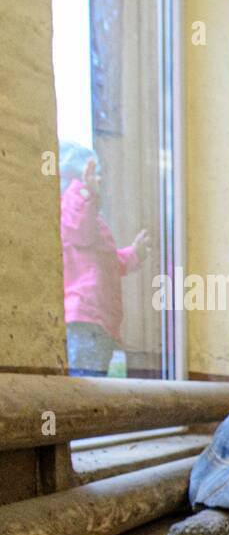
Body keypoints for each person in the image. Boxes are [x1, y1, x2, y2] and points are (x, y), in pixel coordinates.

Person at [58, 141, 149, 377]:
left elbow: (104, 262)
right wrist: (84, 190)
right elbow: (78, 229)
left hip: (99, 324)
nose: (99, 181)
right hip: (84, 321)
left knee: (93, 386)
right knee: (85, 387)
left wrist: (133, 255)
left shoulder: (90, 219)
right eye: (92, 175)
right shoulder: (69, 210)